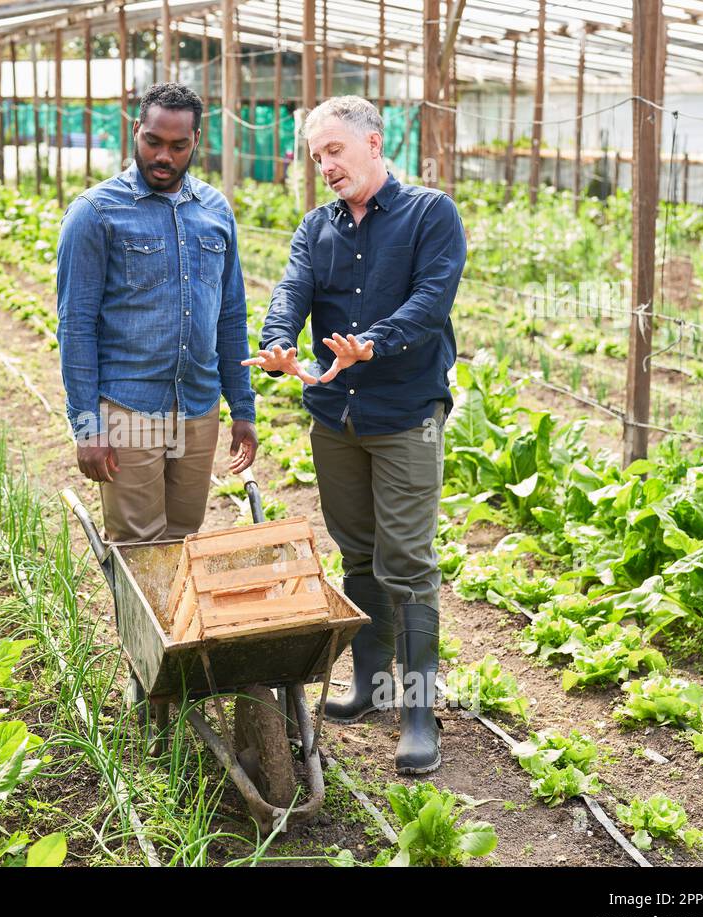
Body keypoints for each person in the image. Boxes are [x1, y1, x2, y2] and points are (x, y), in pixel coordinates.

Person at [244, 96, 466, 774]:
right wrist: (280, 341)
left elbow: (431, 301)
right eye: (317, 157)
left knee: (409, 563)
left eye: (334, 151)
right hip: (334, 418)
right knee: (358, 553)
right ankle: (370, 683)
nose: (325, 166)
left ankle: (419, 709)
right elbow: (292, 290)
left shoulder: (431, 214)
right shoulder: (318, 228)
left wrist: (371, 343)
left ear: (373, 142)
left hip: (404, 416)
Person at [56, 83, 257, 543]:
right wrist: (87, 426)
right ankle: (142, 619)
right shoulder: (95, 213)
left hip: (198, 406)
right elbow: (76, 326)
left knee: (186, 538)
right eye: (153, 141)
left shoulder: (215, 211)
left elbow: (230, 316)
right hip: (128, 406)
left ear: (196, 142)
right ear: (135, 131)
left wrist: (242, 407)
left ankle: (178, 620)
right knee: (138, 544)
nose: (163, 156)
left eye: (177, 145)